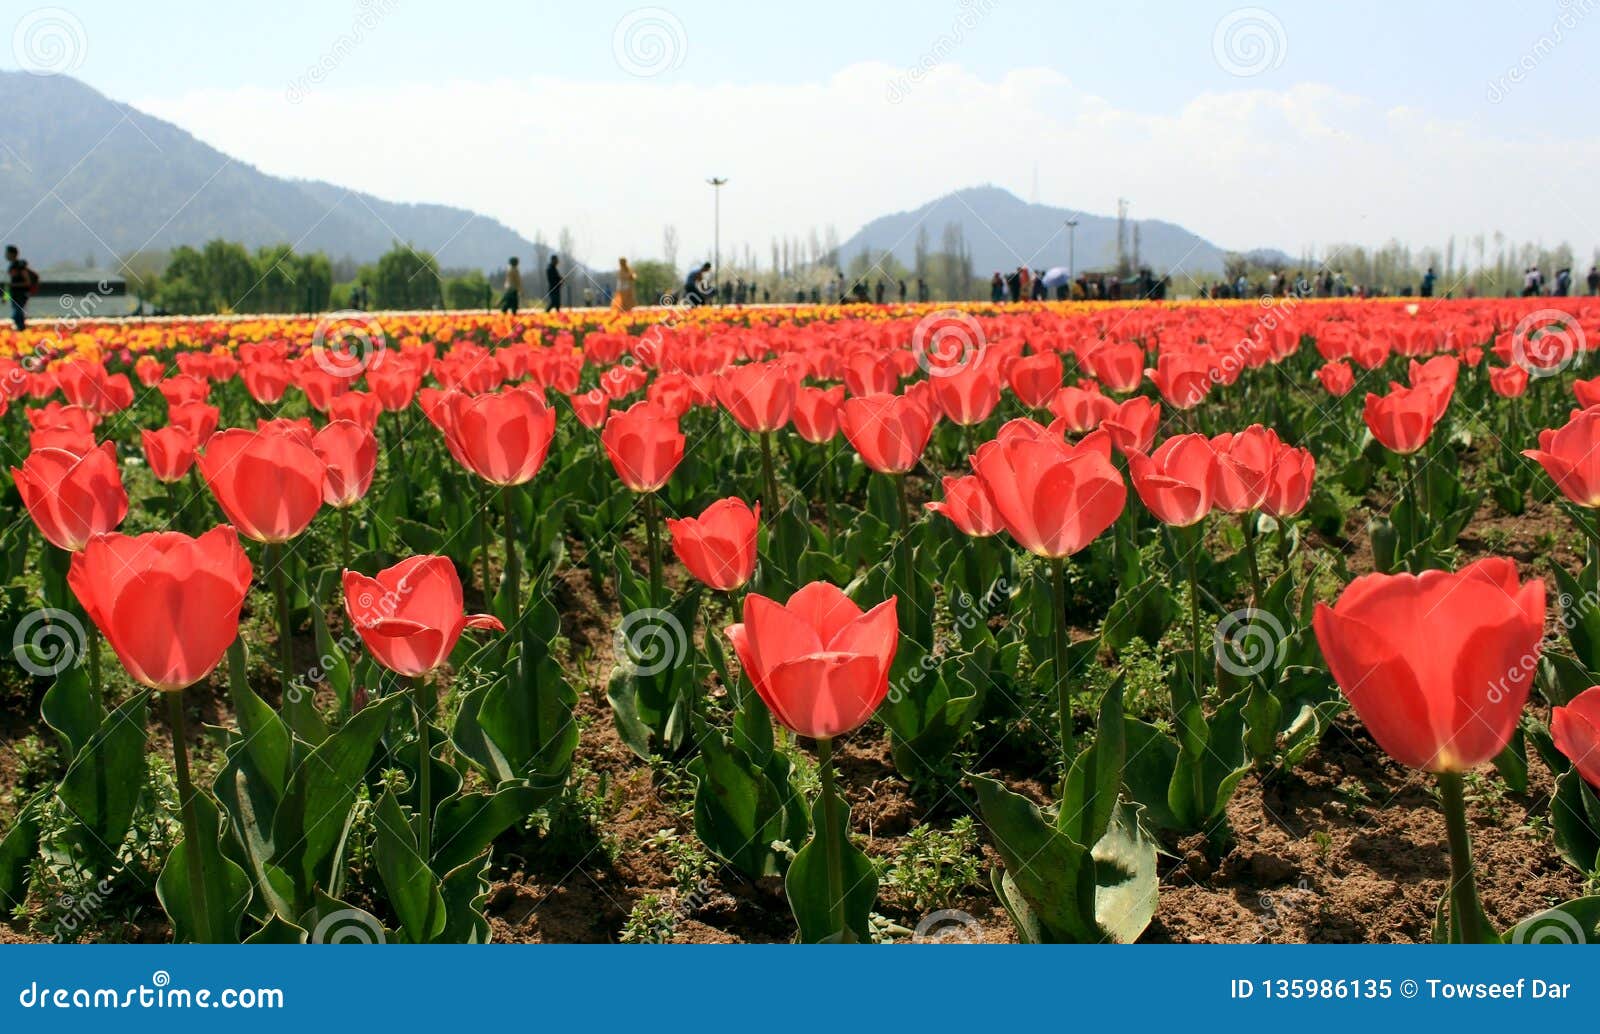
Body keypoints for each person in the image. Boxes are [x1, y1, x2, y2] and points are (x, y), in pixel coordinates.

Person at [6, 245, 38, 331]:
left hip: (21, 294)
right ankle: (21, 331)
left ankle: (22, 331)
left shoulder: (20, 266)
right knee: (17, 314)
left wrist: (13, 285)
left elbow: (27, 282)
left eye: (7, 253)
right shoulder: (12, 266)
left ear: (13, 254)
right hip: (15, 295)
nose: (5, 255)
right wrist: (6, 297)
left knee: (17, 314)